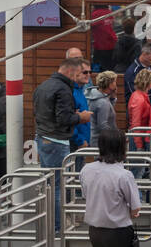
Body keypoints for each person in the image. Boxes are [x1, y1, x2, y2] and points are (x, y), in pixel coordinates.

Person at [33, 57, 93, 232]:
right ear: (69, 71)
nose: (77, 78)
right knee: (58, 187)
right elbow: (63, 119)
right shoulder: (64, 89)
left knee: (49, 184)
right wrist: (81, 117)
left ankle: (52, 222)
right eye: (77, 73)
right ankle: (59, 226)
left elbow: (44, 113)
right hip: (57, 141)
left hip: (43, 137)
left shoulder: (42, 86)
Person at [86, 71, 118, 148]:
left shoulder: (96, 96)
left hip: (96, 138)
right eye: (114, 82)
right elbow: (103, 125)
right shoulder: (102, 102)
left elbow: (107, 111)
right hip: (103, 142)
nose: (116, 84)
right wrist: (116, 137)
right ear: (109, 84)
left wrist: (113, 98)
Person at [67, 54, 92, 152]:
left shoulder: (80, 91)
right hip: (74, 144)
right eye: (85, 72)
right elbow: (69, 121)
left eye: (90, 72)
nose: (88, 75)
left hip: (81, 142)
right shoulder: (71, 92)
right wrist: (80, 141)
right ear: (75, 73)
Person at [127, 68, 151, 149]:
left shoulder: (138, 95)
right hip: (138, 137)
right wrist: (139, 145)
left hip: (139, 135)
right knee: (138, 160)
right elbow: (136, 124)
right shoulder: (139, 99)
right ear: (149, 83)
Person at [90, 6, 117, 72]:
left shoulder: (95, 14)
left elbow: (89, 26)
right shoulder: (109, 12)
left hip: (101, 46)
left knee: (97, 70)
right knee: (110, 69)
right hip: (112, 44)